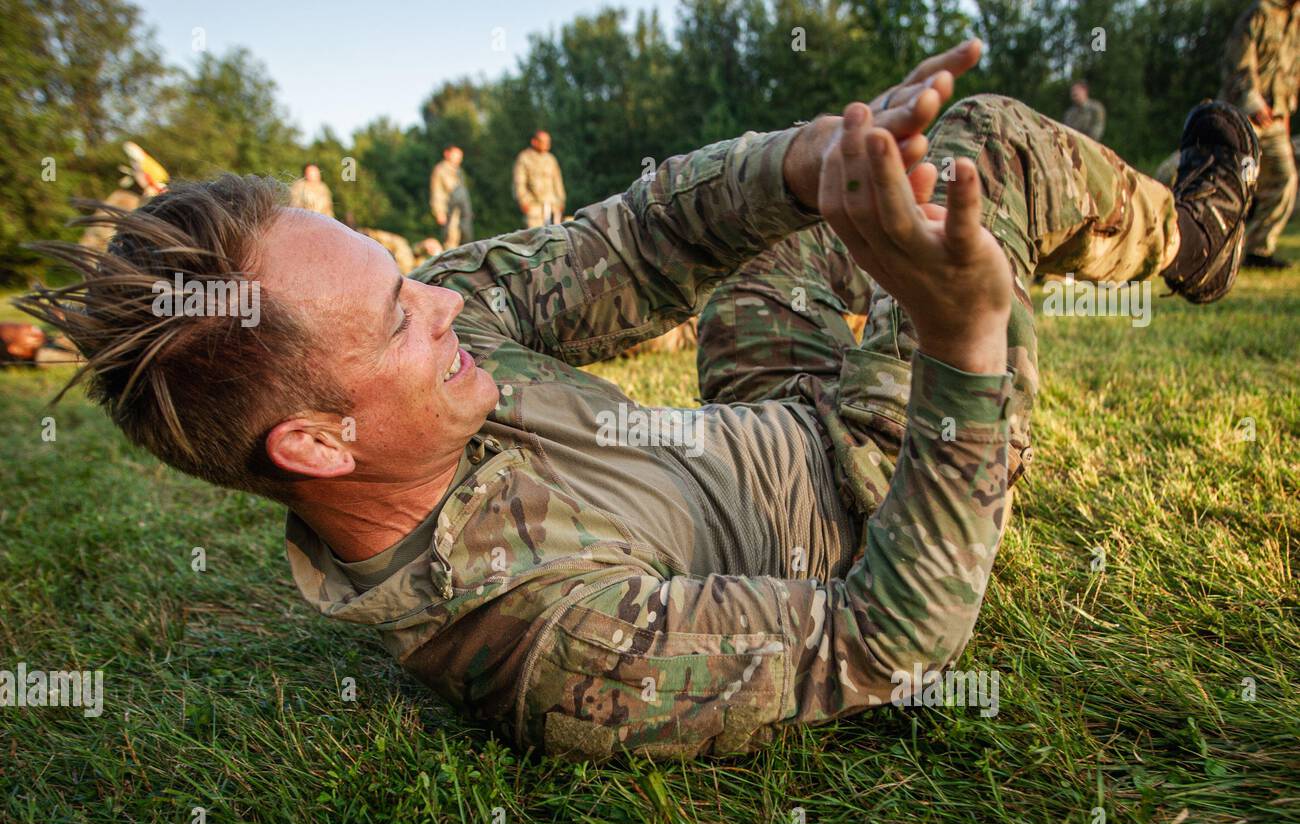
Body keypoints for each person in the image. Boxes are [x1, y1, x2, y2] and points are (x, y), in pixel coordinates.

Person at [19, 40, 1259, 760]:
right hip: (871, 496)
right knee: (982, 162)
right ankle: (1197, 239)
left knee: (845, 202)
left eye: (409, 281)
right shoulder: (550, 649)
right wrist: (961, 333)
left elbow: (636, 241)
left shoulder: (415, 356)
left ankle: (1143, 230)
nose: (444, 304)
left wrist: (804, 165)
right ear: (314, 441)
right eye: (402, 315)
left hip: (770, 419)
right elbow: (888, 642)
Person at [1219, 0, 1300, 269]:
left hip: (1276, 120)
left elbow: (1291, 75)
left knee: (1284, 179)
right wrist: (1252, 102)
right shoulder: (1258, 15)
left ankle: (1258, 250)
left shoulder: (1296, 22)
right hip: (1244, 117)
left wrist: (1285, 116)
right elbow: (1238, 63)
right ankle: (1214, 245)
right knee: (1234, 182)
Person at [512, 130, 565, 228]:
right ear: (534, 142)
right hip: (534, 207)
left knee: (555, 238)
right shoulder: (525, 158)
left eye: (548, 142)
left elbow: (557, 182)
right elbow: (519, 182)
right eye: (543, 141)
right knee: (536, 238)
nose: (547, 144)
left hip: (552, 207)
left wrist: (561, 201)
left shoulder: (551, 159)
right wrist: (524, 202)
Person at [430, 146, 474, 248]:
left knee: (465, 240)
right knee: (451, 241)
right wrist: (439, 211)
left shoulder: (458, 171)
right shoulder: (441, 170)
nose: (459, 158)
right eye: (456, 155)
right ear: (447, 154)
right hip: (450, 211)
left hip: (461, 212)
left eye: (460, 156)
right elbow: (437, 192)